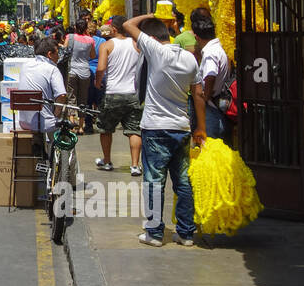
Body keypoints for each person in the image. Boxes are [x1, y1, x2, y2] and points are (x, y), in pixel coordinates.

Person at [123, 12, 202, 248]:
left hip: (156, 128)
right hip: (182, 127)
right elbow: (198, 93)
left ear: (150, 38)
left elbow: (128, 24)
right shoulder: (190, 58)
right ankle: (186, 233)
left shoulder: (157, 52)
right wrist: (201, 128)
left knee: (154, 182)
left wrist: (151, 14)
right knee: (183, 182)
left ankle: (155, 233)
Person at [95, 18, 143, 176]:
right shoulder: (136, 44)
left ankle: (107, 161)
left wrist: (97, 82)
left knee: (106, 129)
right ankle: (135, 165)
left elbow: (101, 67)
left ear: (114, 29)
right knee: (134, 130)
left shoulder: (106, 45)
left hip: (112, 93)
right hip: (132, 94)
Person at [6, 37, 67, 159]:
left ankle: (37, 144)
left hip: (24, 121)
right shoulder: (52, 69)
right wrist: (56, 114)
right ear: (49, 54)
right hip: (43, 123)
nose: (59, 57)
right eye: (57, 53)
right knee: (59, 120)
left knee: (40, 115)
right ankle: (58, 158)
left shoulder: (25, 66)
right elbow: (62, 95)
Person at [189, 7, 234, 146]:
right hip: (217, 108)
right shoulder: (218, 48)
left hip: (211, 110)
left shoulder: (210, 53)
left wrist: (205, 95)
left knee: (209, 149)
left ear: (196, 37)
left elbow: (210, 75)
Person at [61, 22, 96, 126]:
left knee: (71, 96)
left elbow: (64, 51)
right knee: (83, 98)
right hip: (85, 71)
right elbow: (93, 55)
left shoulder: (70, 37)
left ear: (75, 27)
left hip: (72, 71)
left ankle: (71, 122)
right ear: (86, 28)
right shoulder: (90, 40)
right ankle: (81, 125)